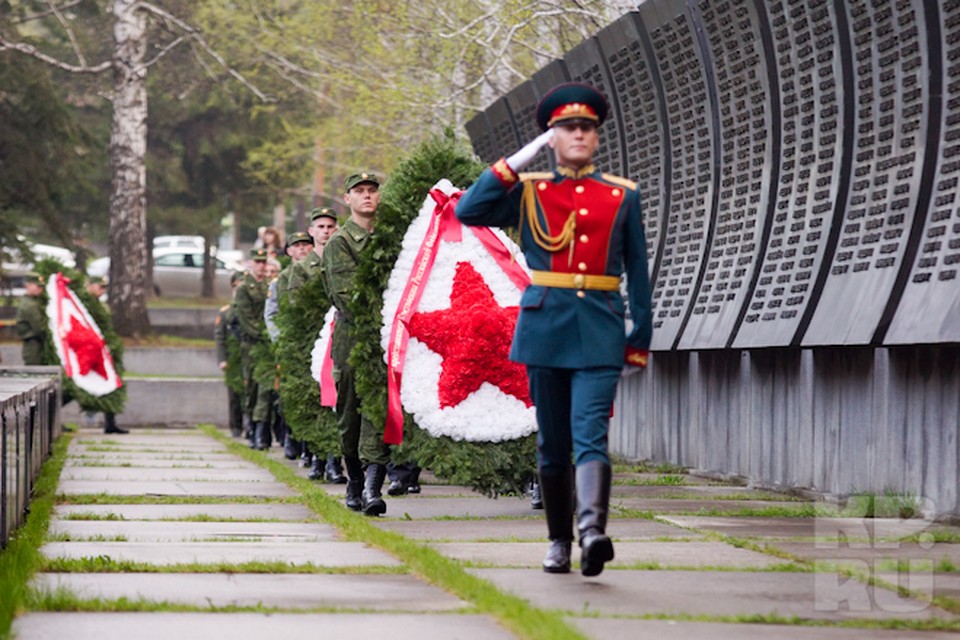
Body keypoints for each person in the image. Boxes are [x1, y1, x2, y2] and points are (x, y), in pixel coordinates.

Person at [455, 82, 653, 577]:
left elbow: (638, 271)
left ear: (597, 136)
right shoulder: (530, 191)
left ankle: (592, 532)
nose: (578, 135)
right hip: (545, 329)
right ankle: (559, 540)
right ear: (552, 137)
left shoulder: (621, 195)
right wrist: (520, 159)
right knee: (552, 444)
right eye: (567, 128)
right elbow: (468, 210)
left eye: (586, 127)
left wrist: (639, 338)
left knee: (591, 435)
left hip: (601, 328)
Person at [321, 173, 391, 515]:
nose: (367, 196)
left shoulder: (390, 238)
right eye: (359, 191)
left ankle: (373, 488)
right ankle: (355, 479)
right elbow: (348, 297)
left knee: (380, 408)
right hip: (353, 340)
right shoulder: (340, 243)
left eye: (372, 191)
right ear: (347, 199)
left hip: (388, 339)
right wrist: (387, 313)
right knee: (350, 414)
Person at [288, 209, 346, 484]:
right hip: (313, 341)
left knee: (336, 400)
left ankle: (334, 462)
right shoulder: (301, 268)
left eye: (330, 226)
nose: (326, 231)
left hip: (339, 337)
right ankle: (318, 457)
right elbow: (295, 308)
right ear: (312, 231)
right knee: (317, 401)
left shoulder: (343, 260)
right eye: (320, 226)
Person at [233, 248, 270, 448]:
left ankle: (260, 432)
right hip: (252, 343)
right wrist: (264, 334)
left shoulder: (269, 285)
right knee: (252, 388)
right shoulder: (244, 288)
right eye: (258, 262)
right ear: (251, 263)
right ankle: (251, 427)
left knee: (265, 387)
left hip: (267, 344)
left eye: (264, 262)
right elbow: (245, 318)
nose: (261, 266)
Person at [84, 275, 128, 434]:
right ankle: (50, 417)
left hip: (101, 351)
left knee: (110, 384)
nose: (103, 290)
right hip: (89, 353)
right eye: (100, 287)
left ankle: (110, 423)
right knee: (74, 388)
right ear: (90, 286)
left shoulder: (100, 305)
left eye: (104, 288)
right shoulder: (84, 305)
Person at [215, 271, 245, 437]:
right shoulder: (225, 312)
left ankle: (250, 427)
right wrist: (222, 359)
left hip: (248, 355)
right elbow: (220, 337)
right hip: (233, 358)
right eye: (236, 287)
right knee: (234, 395)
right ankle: (236, 426)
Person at [16, 272, 48, 365]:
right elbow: (40, 329)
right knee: (36, 371)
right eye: (37, 286)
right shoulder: (30, 305)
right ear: (28, 285)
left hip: (32, 346)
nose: (40, 289)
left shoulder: (28, 302)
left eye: (41, 286)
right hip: (35, 347)